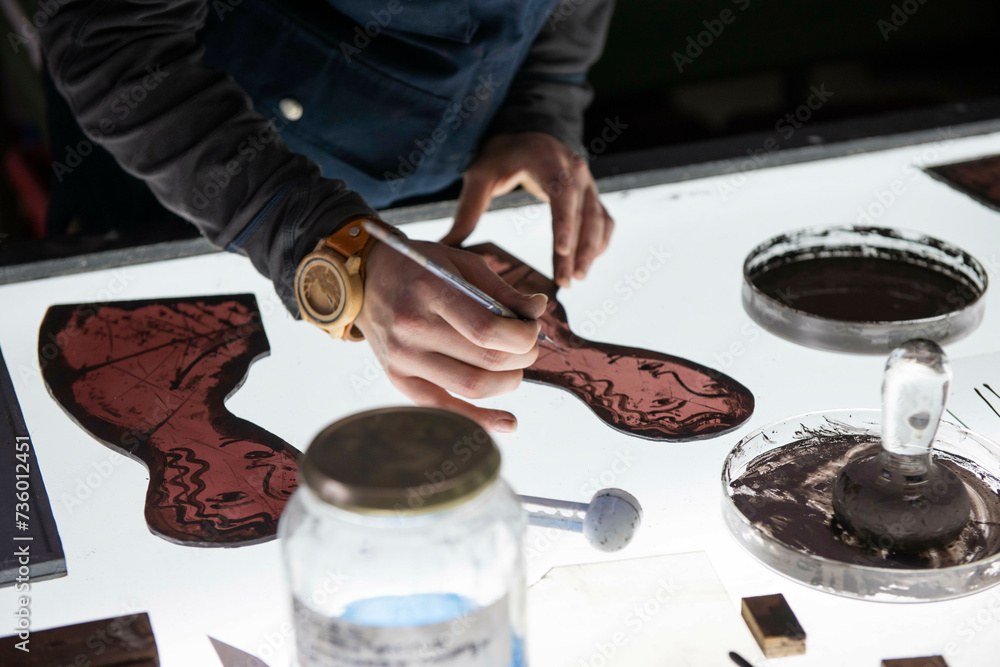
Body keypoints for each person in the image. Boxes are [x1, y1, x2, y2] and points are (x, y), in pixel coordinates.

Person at [40, 0, 616, 433]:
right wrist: (337, 252)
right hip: (189, 187)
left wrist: (540, 107)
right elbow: (111, 40)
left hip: (424, 206)